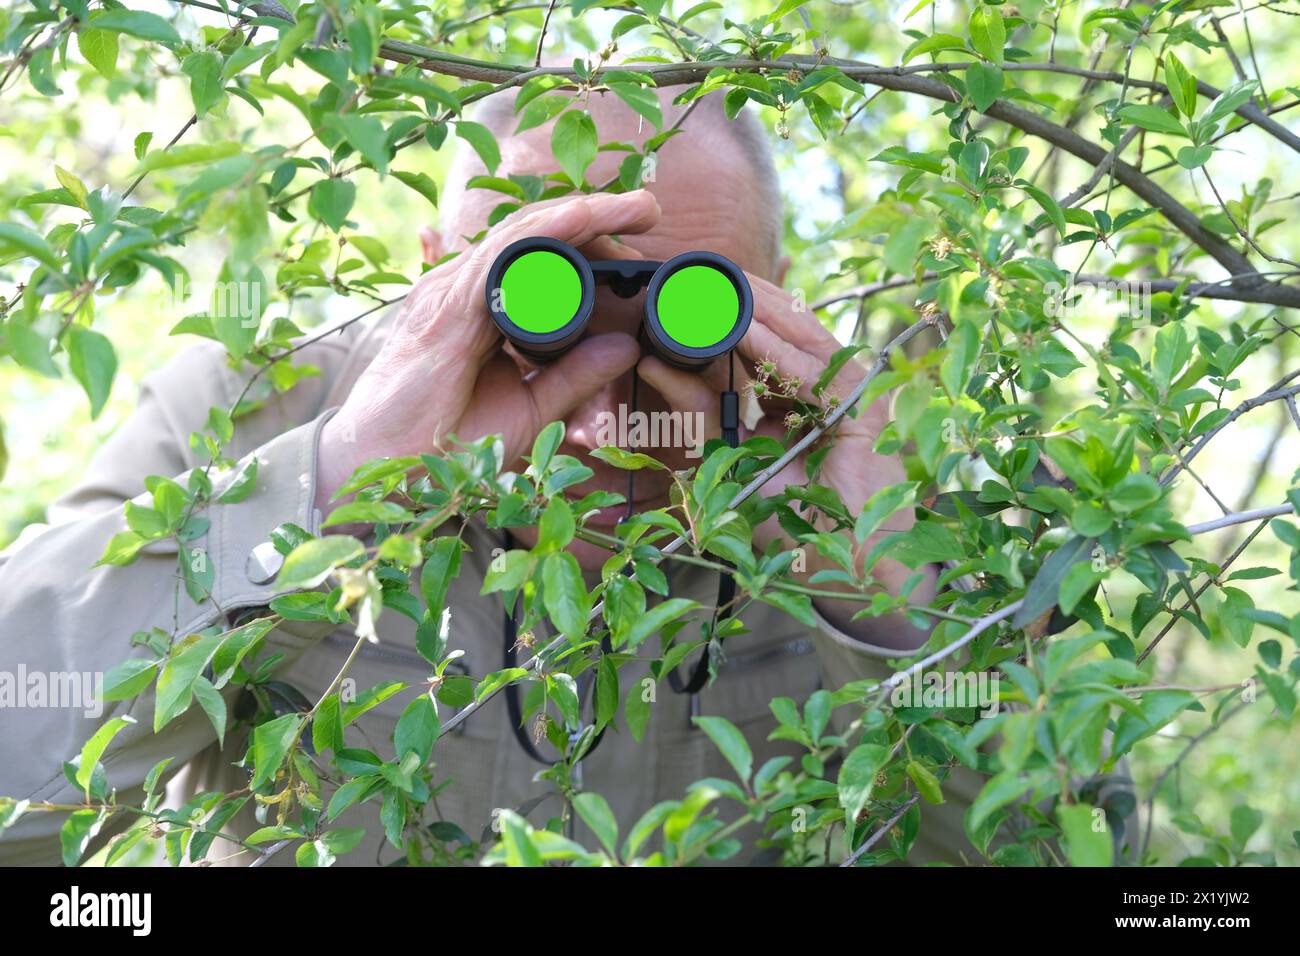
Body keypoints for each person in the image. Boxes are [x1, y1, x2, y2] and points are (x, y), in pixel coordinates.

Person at [0, 87, 999, 867]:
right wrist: (330, 489)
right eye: (531, 311)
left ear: (770, 300)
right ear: (434, 277)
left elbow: (1058, 839)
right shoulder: (253, 407)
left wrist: (886, 599)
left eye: (679, 327)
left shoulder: (871, 470)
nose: (605, 418)